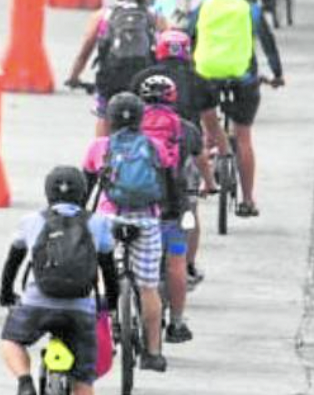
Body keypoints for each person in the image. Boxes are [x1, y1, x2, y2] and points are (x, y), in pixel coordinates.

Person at [0, 166, 119, 395]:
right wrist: (111, 303)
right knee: (84, 380)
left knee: (10, 340)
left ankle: (25, 384)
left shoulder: (32, 221)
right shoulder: (98, 223)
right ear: (82, 193)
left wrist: (6, 293)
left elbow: (13, 261)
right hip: (80, 309)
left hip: (36, 304)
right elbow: (108, 268)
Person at [83, 93, 174, 371]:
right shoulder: (155, 146)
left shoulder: (99, 147)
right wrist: (172, 214)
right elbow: (170, 186)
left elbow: (85, 188)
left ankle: (98, 336)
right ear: (141, 118)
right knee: (148, 286)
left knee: (97, 278)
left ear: (109, 119)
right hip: (146, 221)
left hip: (109, 221)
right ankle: (153, 352)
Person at [191, 0, 284, 217]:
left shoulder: (204, 6)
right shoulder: (250, 8)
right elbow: (268, 44)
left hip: (207, 76)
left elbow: (191, 38)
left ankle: (205, 178)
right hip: (243, 80)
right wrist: (276, 75)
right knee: (243, 137)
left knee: (207, 126)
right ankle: (247, 200)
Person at [131, 30, 215, 285]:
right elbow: (208, 133)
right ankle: (187, 265)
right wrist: (209, 183)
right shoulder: (196, 88)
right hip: (183, 160)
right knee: (189, 212)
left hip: (142, 171)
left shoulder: (141, 77)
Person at [132, 73, 197, 343]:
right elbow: (201, 162)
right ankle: (178, 323)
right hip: (173, 211)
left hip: (137, 210)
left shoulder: (131, 126)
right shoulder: (185, 129)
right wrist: (210, 185)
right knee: (176, 263)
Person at [66, 0, 158, 136]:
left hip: (111, 77)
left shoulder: (103, 15)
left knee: (104, 114)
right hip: (143, 76)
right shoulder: (154, 16)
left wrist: (74, 77)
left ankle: (99, 156)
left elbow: (85, 50)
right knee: (147, 114)